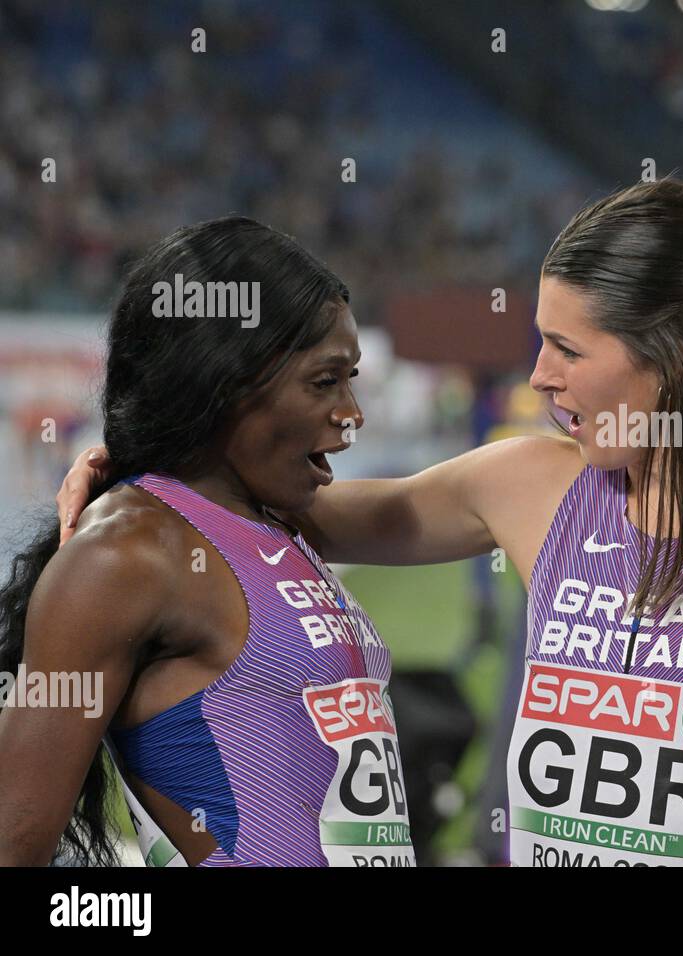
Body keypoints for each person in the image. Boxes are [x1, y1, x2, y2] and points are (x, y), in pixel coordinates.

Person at [57, 179, 683, 866]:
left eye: (567, 347)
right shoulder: (529, 484)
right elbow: (293, 506)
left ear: (675, 353)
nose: (540, 375)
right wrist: (142, 475)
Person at [2, 216, 415, 867]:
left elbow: (466, 504)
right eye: (325, 381)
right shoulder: (127, 553)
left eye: (351, 379)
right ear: (224, 380)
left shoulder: (278, 523)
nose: (351, 414)